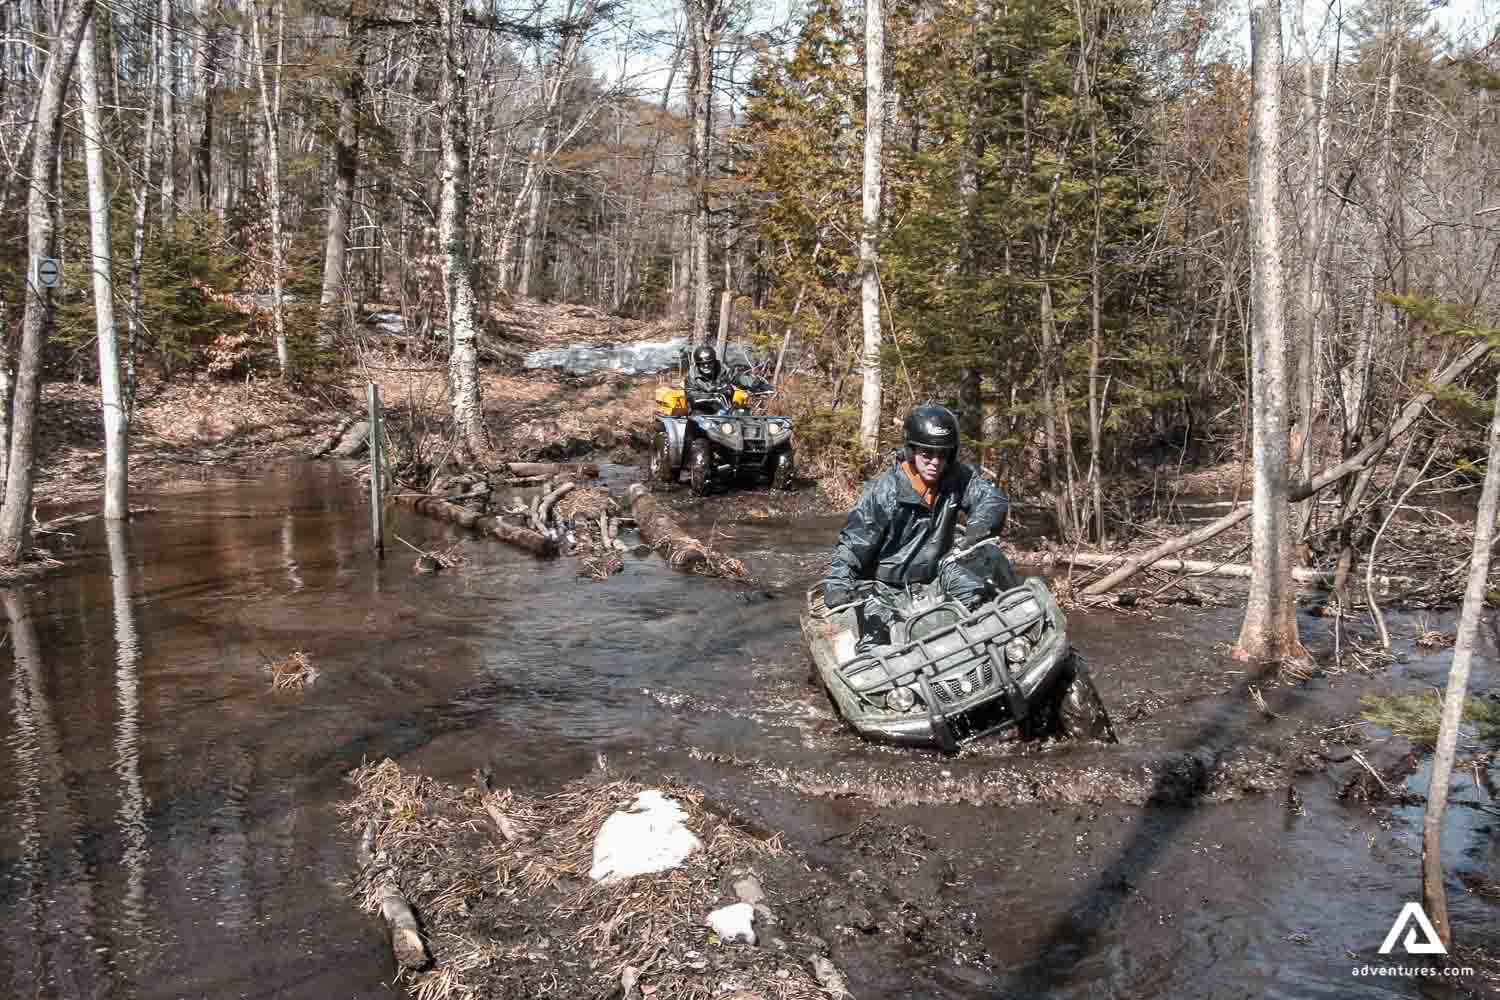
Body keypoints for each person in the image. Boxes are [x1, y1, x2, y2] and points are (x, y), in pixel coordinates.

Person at [821, 404, 1013, 644]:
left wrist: (979, 526)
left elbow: (991, 498)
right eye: (927, 454)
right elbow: (852, 545)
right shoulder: (884, 492)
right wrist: (838, 584)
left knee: (983, 610)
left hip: (940, 576)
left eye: (942, 454)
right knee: (876, 647)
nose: (935, 462)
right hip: (886, 589)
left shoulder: (957, 478)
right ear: (912, 451)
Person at [684, 345, 753, 413]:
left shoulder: (724, 370)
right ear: (697, 364)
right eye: (702, 363)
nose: (706, 366)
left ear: (714, 361)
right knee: (696, 417)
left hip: (724, 409)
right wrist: (710, 396)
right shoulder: (692, 375)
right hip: (701, 409)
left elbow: (738, 378)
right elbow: (691, 393)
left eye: (709, 362)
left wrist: (755, 383)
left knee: (741, 414)